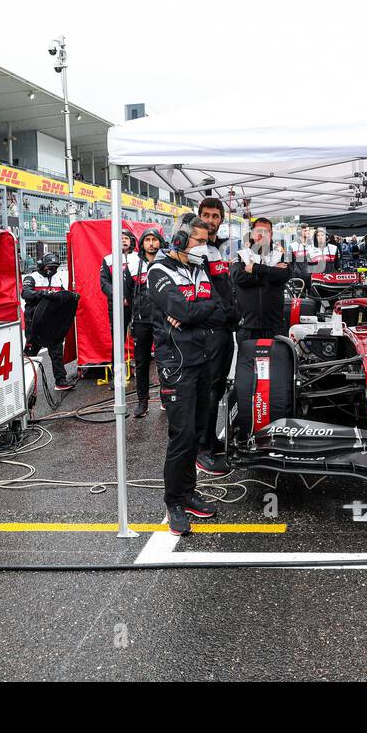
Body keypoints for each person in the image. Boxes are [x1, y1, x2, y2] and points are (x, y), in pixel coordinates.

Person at [147, 216, 230, 535]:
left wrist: (193, 312)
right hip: (176, 363)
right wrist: (194, 311)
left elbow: (219, 307)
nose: (204, 247)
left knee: (196, 432)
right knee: (181, 436)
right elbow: (183, 311)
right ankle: (174, 501)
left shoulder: (198, 269)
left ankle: (189, 492)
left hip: (200, 357)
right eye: (199, 241)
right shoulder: (159, 270)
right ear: (180, 241)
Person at [194, 198, 238, 473]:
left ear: (221, 219)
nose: (211, 220)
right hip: (208, 331)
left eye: (215, 216)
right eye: (206, 215)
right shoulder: (195, 249)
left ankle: (210, 439)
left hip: (224, 331)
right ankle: (202, 449)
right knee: (209, 391)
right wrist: (224, 314)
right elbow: (203, 292)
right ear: (199, 217)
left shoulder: (219, 249)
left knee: (218, 388)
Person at [22, 253, 79, 391]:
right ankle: (23, 385)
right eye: (49, 267)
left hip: (52, 322)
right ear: (41, 265)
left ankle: (61, 381)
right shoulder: (32, 277)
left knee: (57, 352)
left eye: (54, 267)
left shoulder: (57, 277)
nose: (51, 270)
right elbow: (25, 293)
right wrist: (43, 294)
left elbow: (63, 295)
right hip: (34, 322)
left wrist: (71, 297)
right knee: (30, 355)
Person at [233, 217, 291, 340]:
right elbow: (238, 278)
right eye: (258, 231)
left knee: (279, 359)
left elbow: (284, 275)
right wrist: (271, 272)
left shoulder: (279, 255)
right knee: (247, 359)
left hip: (275, 326)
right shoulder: (241, 255)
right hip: (247, 326)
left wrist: (255, 269)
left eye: (266, 231)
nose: (262, 235)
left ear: (271, 234)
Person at [130, 230, 165, 417]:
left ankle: (165, 398)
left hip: (162, 320)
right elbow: (127, 293)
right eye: (148, 240)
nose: (151, 244)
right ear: (142, 243)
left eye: (154, 240)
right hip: (141, 320)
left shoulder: (167, 262)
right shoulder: (133, 263)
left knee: (164, 360)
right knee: (142, 363)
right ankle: (142, 402)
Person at [100, 229, 138, 352]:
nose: (123, 240)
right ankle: (116, 368)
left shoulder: (139, 258)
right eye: (120, 238)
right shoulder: (108, 259)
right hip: (116, 306)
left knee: (140, 338)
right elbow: (104, 283)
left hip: (137, 305)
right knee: (117, 340)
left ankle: (138, 368)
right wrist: (118, 297)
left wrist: (131, 298)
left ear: (131, 241)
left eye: (126, 238)